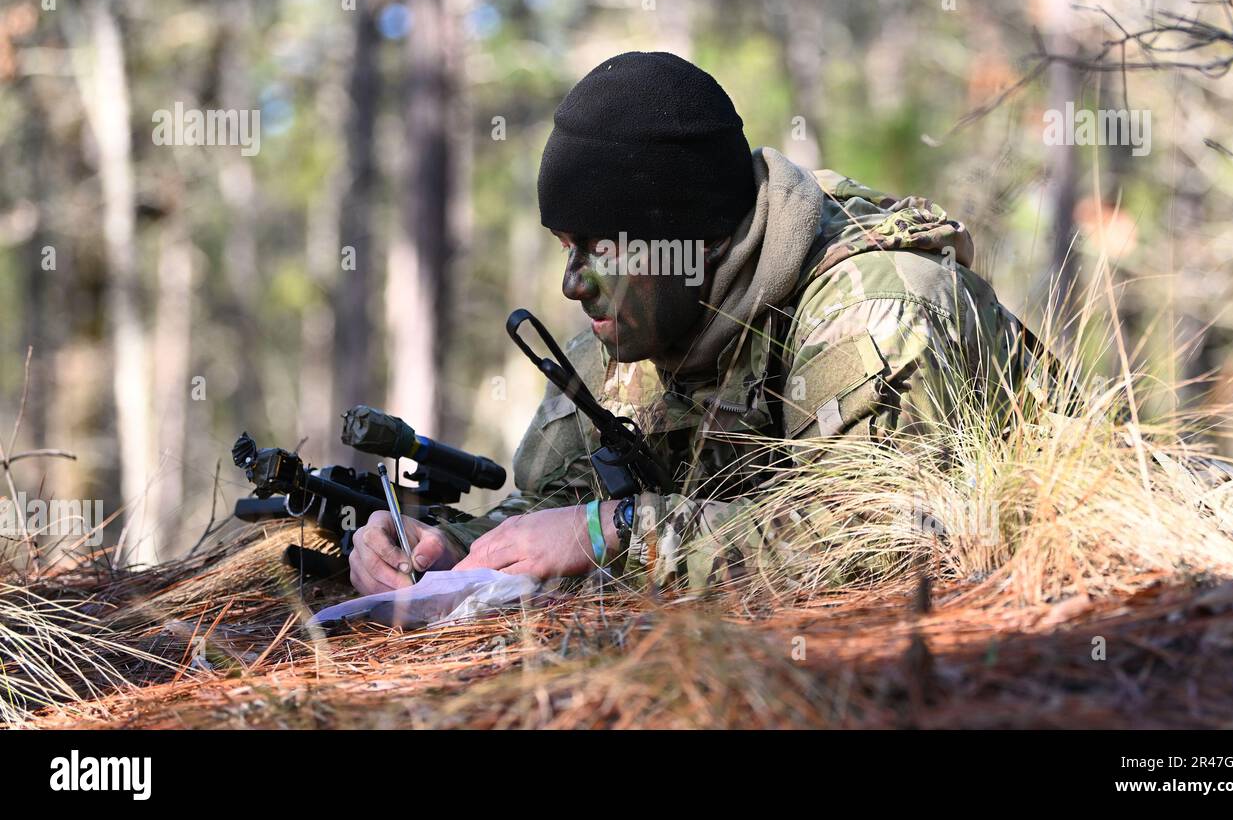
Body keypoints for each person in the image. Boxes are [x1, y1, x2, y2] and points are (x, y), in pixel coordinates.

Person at [349, 51, 1040, 595]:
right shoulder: (628, 337)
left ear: (694, 243)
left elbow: (881, 539)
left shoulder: (873, 310)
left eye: (602, 250)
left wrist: (619, 533)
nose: (571, 284)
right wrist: (449, 545)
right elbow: (557, 508)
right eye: (567, 247)